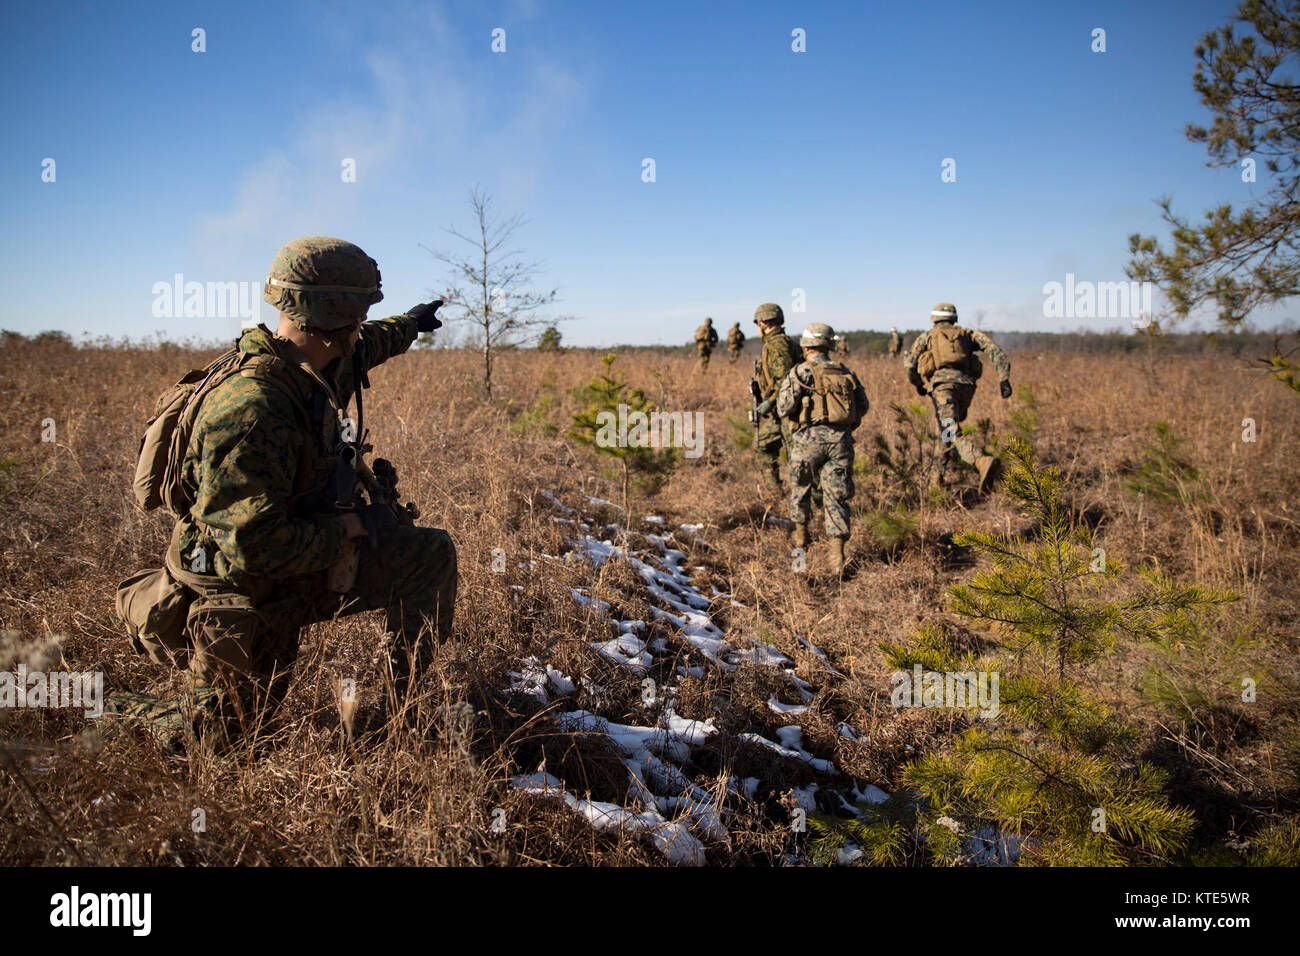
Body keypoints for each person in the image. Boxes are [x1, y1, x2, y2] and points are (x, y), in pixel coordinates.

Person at [109, 236, 457, 750]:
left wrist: (410, 323)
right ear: (337, 314)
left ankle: (402, 716)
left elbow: (371, 342)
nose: (364, 320)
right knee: (220, 742)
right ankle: (107, 706)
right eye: (360, 307)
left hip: (295, 557)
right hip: (240, 586)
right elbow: (256, 546)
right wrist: (358, 526)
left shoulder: (314, 362)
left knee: (430, 554)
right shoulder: (253, 409)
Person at [777, 323, 869, 576]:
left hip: (807, 441)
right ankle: (837, 559)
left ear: (806, 346)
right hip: (840, 442)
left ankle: (800, 545)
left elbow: (783, 408)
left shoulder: (800, 372)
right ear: (829, 345)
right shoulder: (845, 372)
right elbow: (863, 406)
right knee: (836, 496)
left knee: (801, 490)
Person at [904, 302, 1012, 493]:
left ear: (934, 319)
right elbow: (994, 350)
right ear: (954, 318)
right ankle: (936, 482)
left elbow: (910, 365)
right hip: (967, 389)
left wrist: (919, 385)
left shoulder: (928, 336)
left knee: (950, 432)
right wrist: (1004, 379)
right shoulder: (968, 334)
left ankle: (980, 460)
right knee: (946, 430)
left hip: (943, 389)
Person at [750, 303, 803, 497]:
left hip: (788, 411)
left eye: (758, 323)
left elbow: (785, 381)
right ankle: (776, 493)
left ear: (763, 323)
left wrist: (769, 403)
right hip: (784, 410)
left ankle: (809, 506)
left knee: (796, 460)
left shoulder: (777, 345)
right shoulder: (783, 342)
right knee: (763, 445)